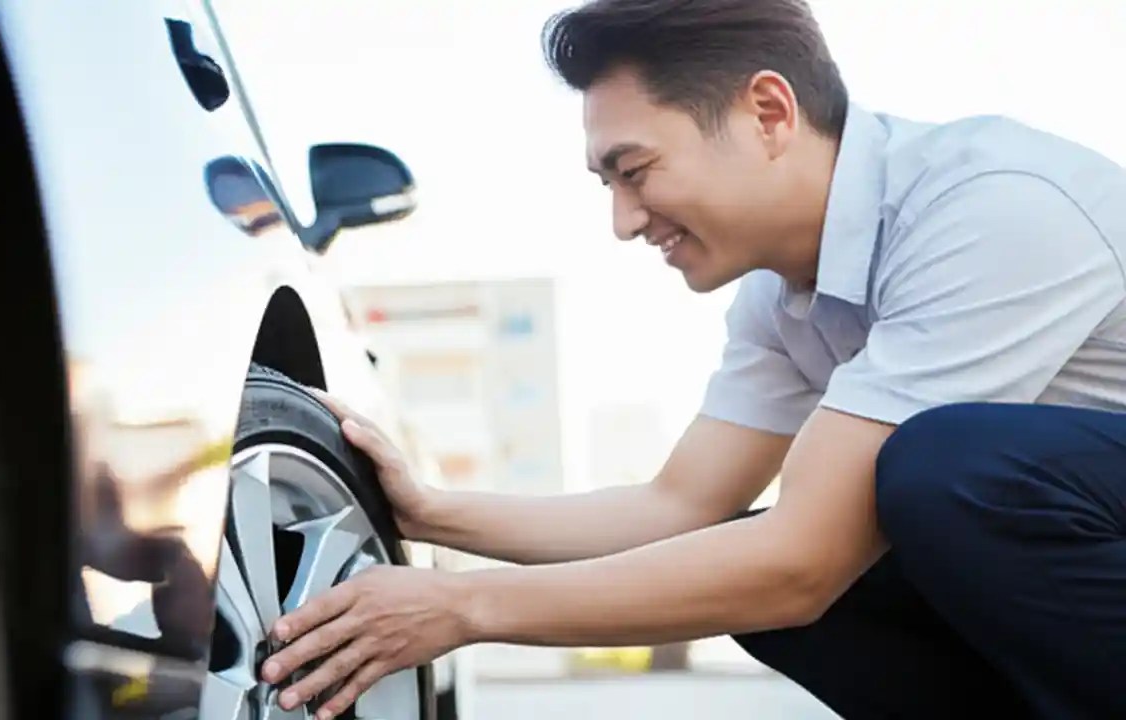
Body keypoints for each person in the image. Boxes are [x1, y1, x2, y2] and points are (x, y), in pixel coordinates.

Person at [262, 1, 1126, 718]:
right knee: (730, 560)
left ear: (769, 113)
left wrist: (464, 608)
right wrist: (434, 514)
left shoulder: (989, 211)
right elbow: (677, 507)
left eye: (635, 171)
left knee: (933, 474)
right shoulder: (785, 295)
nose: (625, 221)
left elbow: (800, 565)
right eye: (609, 186)